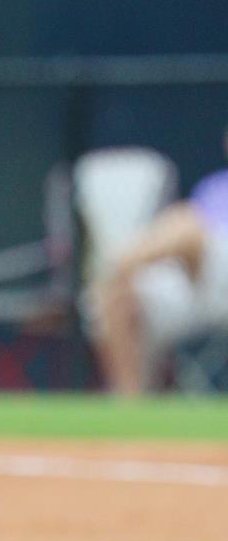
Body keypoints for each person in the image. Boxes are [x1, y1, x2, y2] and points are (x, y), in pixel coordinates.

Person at [90, 130, 228, 394]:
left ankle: (118, 264)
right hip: (202, 282)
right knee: (119, 295)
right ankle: (131, 408)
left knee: (186, 223)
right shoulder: (214, 186)